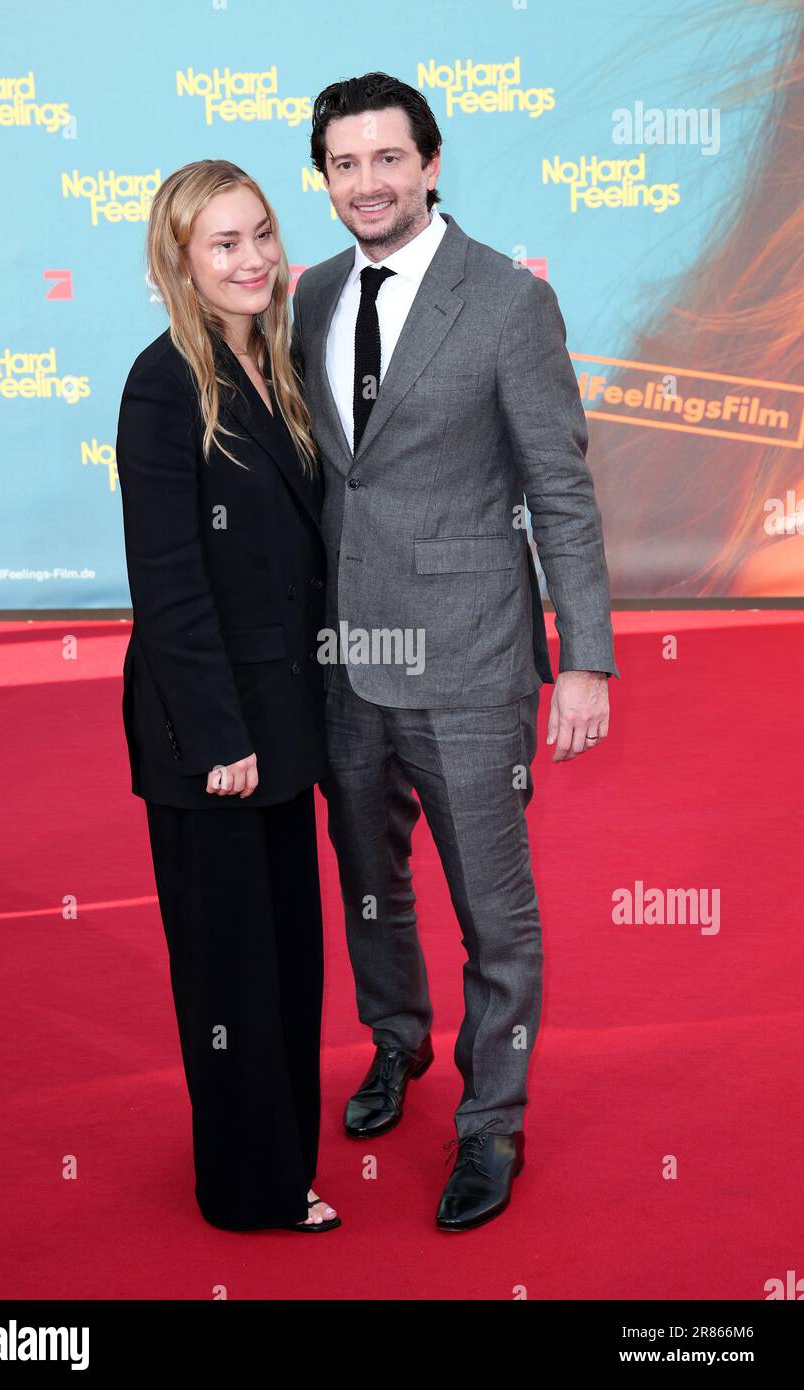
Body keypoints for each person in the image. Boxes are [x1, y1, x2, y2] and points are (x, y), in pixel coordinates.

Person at [291, 73, 620, 1232]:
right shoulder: (312, 294)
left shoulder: (507, 301)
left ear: (429, 165)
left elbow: (559, 489)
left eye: (387, 159)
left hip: (471, 659)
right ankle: (396, 1041)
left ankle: (491, 1121)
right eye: (343, 164)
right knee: (368, 884)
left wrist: (582, 656)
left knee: (494, 908)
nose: (366, 183)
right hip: (346, 654)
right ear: (324, 179)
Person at [115, 159, 340, 1232]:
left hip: (282, 722)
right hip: (210, 736)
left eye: (260, 233)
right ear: (181, 262)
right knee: (231, 974)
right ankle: (250, 1191)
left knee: (288, 956)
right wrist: (219, 738)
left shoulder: (278, 362)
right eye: (223, 243)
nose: (253, 258)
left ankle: (283, 1162)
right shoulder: (164, 384)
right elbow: (167, 583)